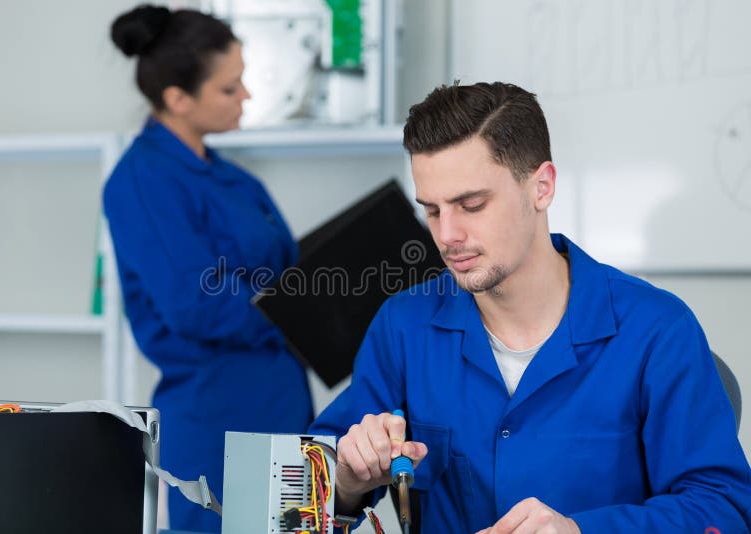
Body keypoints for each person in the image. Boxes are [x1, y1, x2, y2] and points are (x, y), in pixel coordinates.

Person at [309, 82, 751, 533]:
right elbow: (311, 482)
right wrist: (346, 479)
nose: (447, 235)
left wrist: (579, 531)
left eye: (472, 204)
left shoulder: (657, 330)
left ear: (541, 187)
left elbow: (723, 509)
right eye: (433, 211)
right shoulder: (405, 326)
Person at [103, 5, 313, 531]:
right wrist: (296, 309)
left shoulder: (232, 178)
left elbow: (283, 268)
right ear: (177, 99)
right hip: (219, 417)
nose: (246, 97)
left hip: (284, 408)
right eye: (230, 88)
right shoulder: (142, 181)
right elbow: (196, 305)